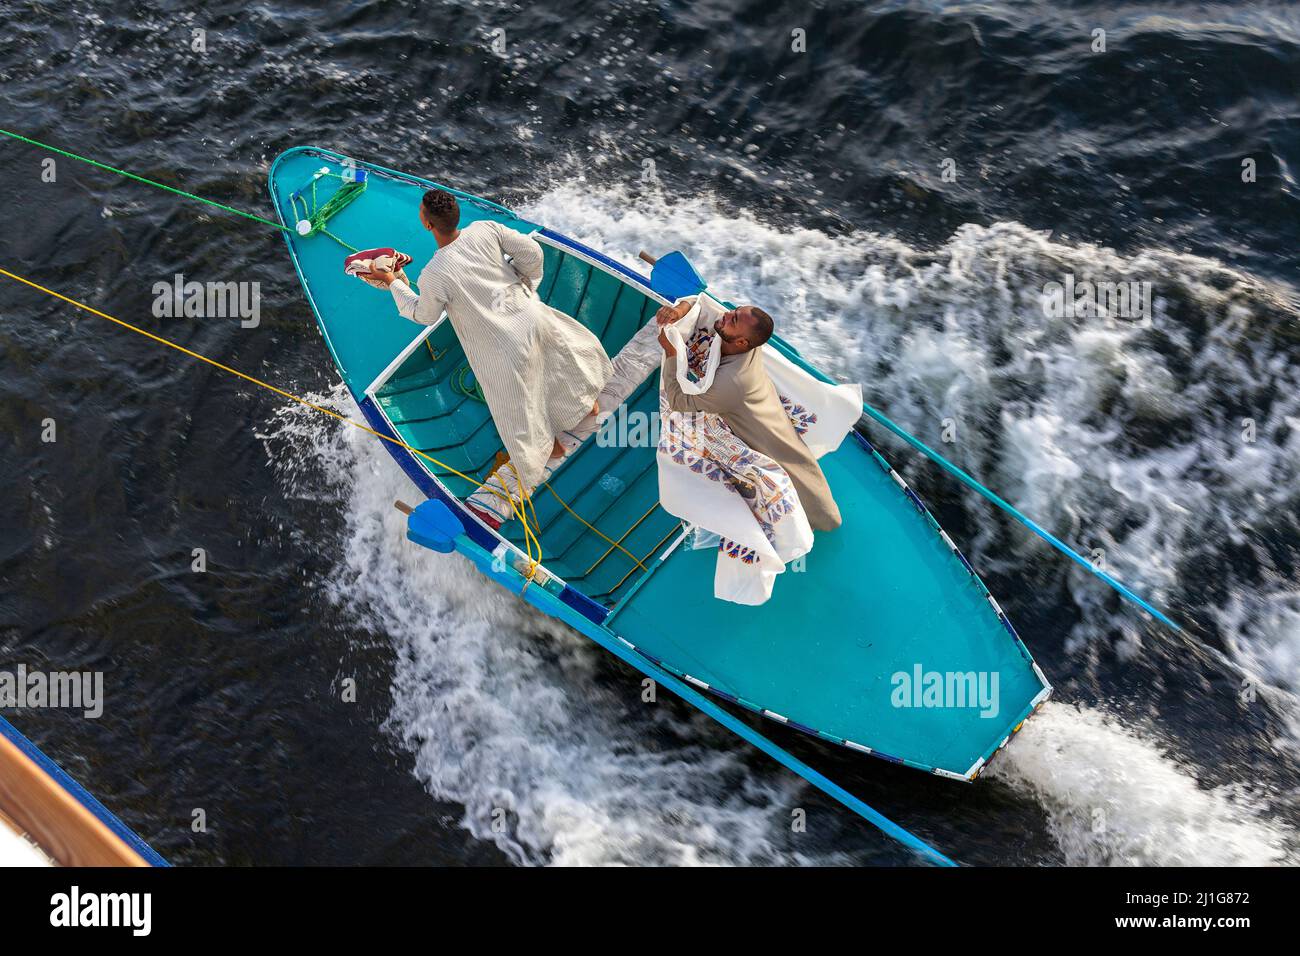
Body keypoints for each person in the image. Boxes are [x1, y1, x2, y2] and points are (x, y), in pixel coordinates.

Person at [365, 190, 612, 501]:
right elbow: (533, 254)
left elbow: (424, 315)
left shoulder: (434, 274)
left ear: (428, 224)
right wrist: (522, 281)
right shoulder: (485, 229)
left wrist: (392, 281)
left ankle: (552, 450)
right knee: (560, 368)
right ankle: (588, 409)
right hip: (533, 317)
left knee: (519, 406)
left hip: (502, 347)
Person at [656, 299, 842, 531]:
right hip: (762, 406)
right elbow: (701, 304)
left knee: (784, 466)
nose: (727, 314)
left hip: (757, 424)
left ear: (742, 342)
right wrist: (678, 310)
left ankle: (822, 518)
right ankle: (823, 515)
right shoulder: (737, 335)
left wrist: (671, 353)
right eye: (735, 311)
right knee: (793, 454)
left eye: (733, 318)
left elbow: (678, 402)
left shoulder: (731, 382)